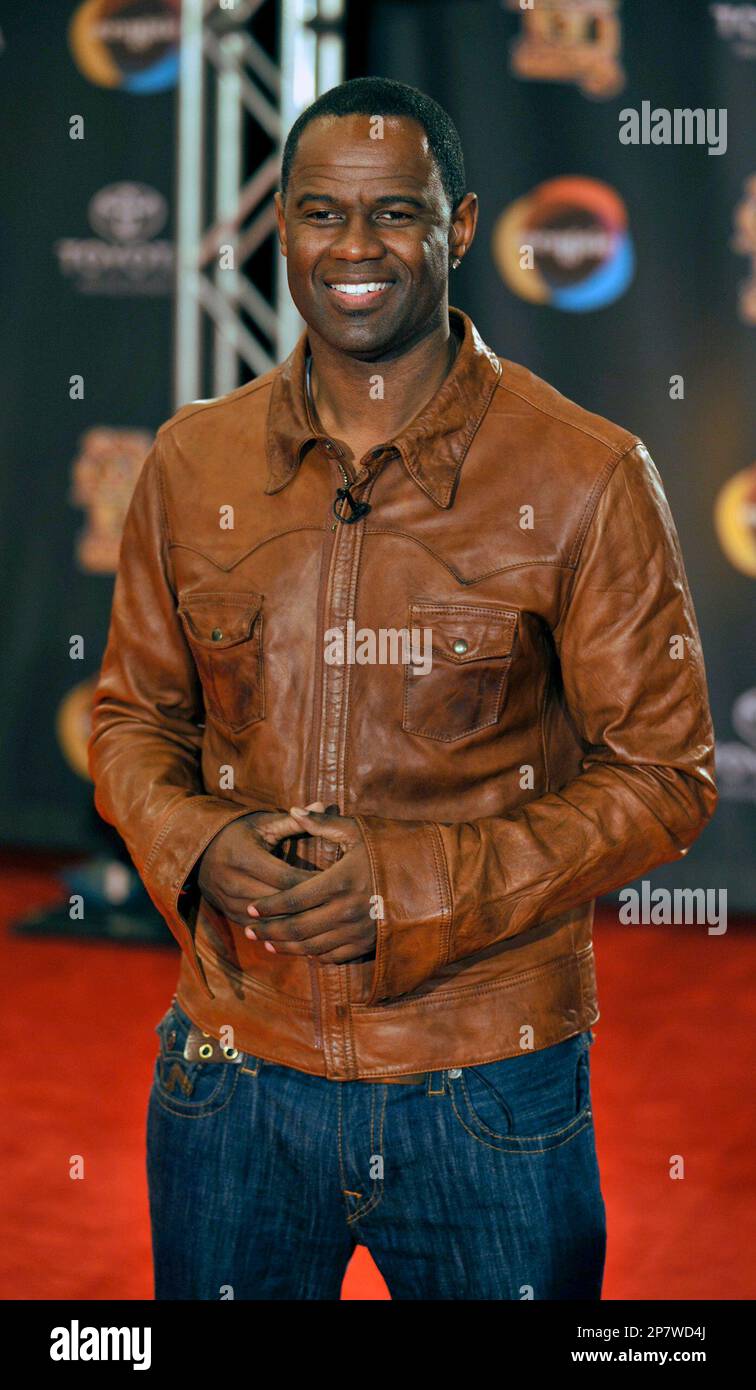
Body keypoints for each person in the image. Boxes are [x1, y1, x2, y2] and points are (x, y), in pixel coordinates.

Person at [87, 76, 717, 1301]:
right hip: (229, 1074)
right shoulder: (191, 459)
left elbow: (667, 776)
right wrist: (202, 841)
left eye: (394, 215)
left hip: (489, 1083)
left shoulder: (586, 471)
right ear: (284, 233)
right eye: (321, 213)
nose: (354, 250)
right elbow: (129, 718)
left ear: (461, 227)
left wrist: (412, 886)